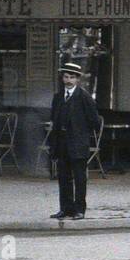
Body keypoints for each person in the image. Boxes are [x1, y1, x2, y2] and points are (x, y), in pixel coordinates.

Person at [48, 62, 101, 220]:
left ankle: (79, 210)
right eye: (66, 77)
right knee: (63, 177)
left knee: (79, 178)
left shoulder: (84, 97)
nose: (68, 80)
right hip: (61, 143)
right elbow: (54, 119)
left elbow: (95, 122)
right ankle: (65, 208)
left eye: (72, 77)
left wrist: (81, 132)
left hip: (78, 143)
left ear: (78, 79)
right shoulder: (58, 97)